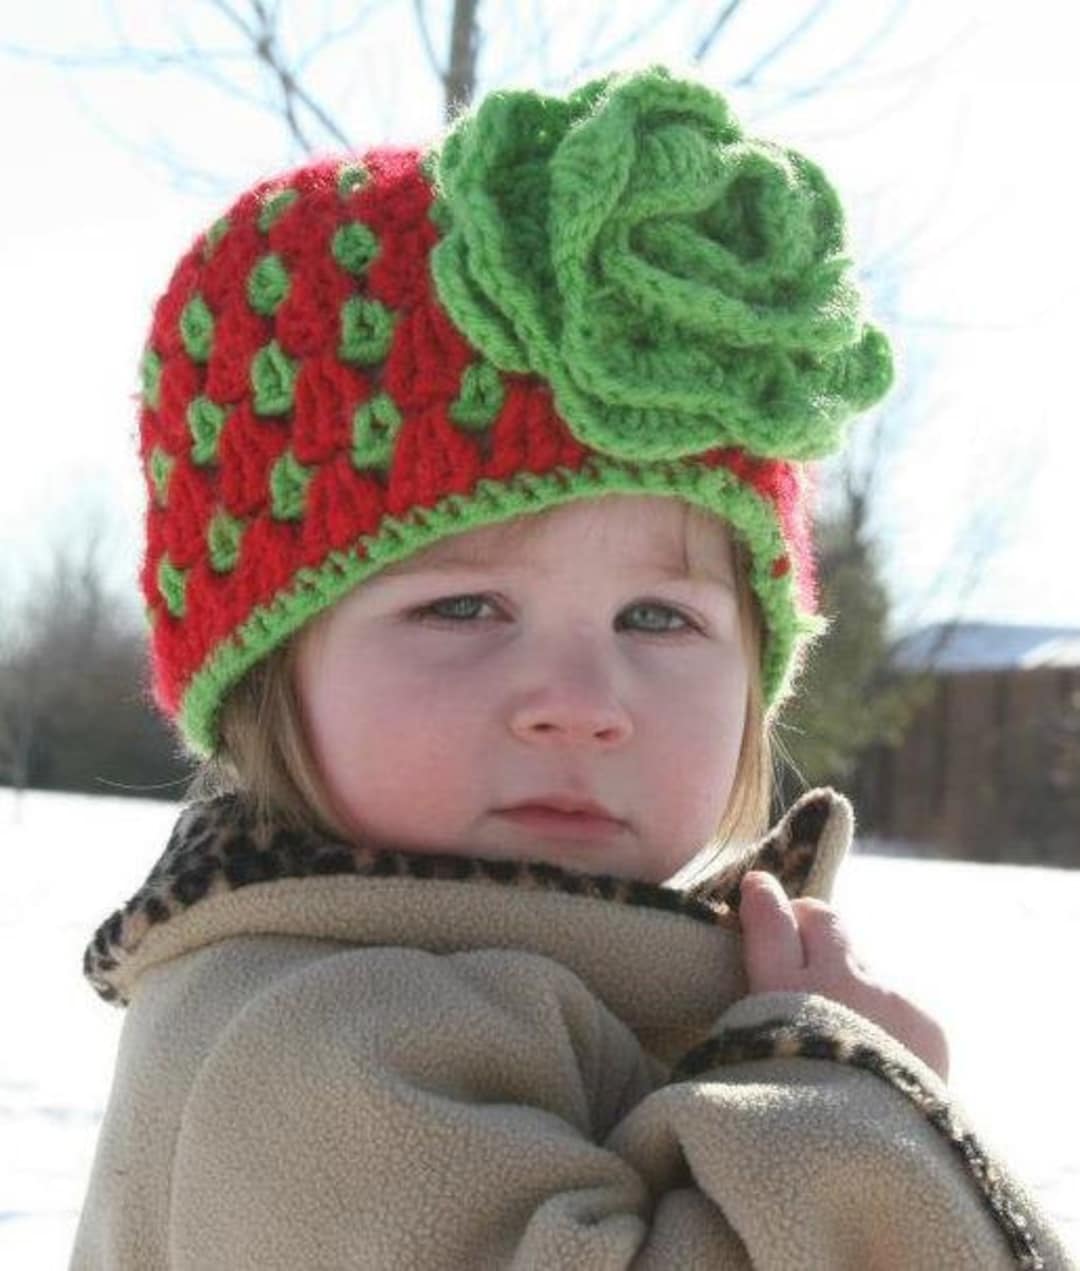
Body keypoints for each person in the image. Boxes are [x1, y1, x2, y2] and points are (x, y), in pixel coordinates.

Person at [70, 64, 1074, 1269]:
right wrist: (848, 1106)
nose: (582, 705)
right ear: (268, 672)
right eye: (465, 605)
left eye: (658, 618)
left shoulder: (549, 977)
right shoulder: (320, 1044)